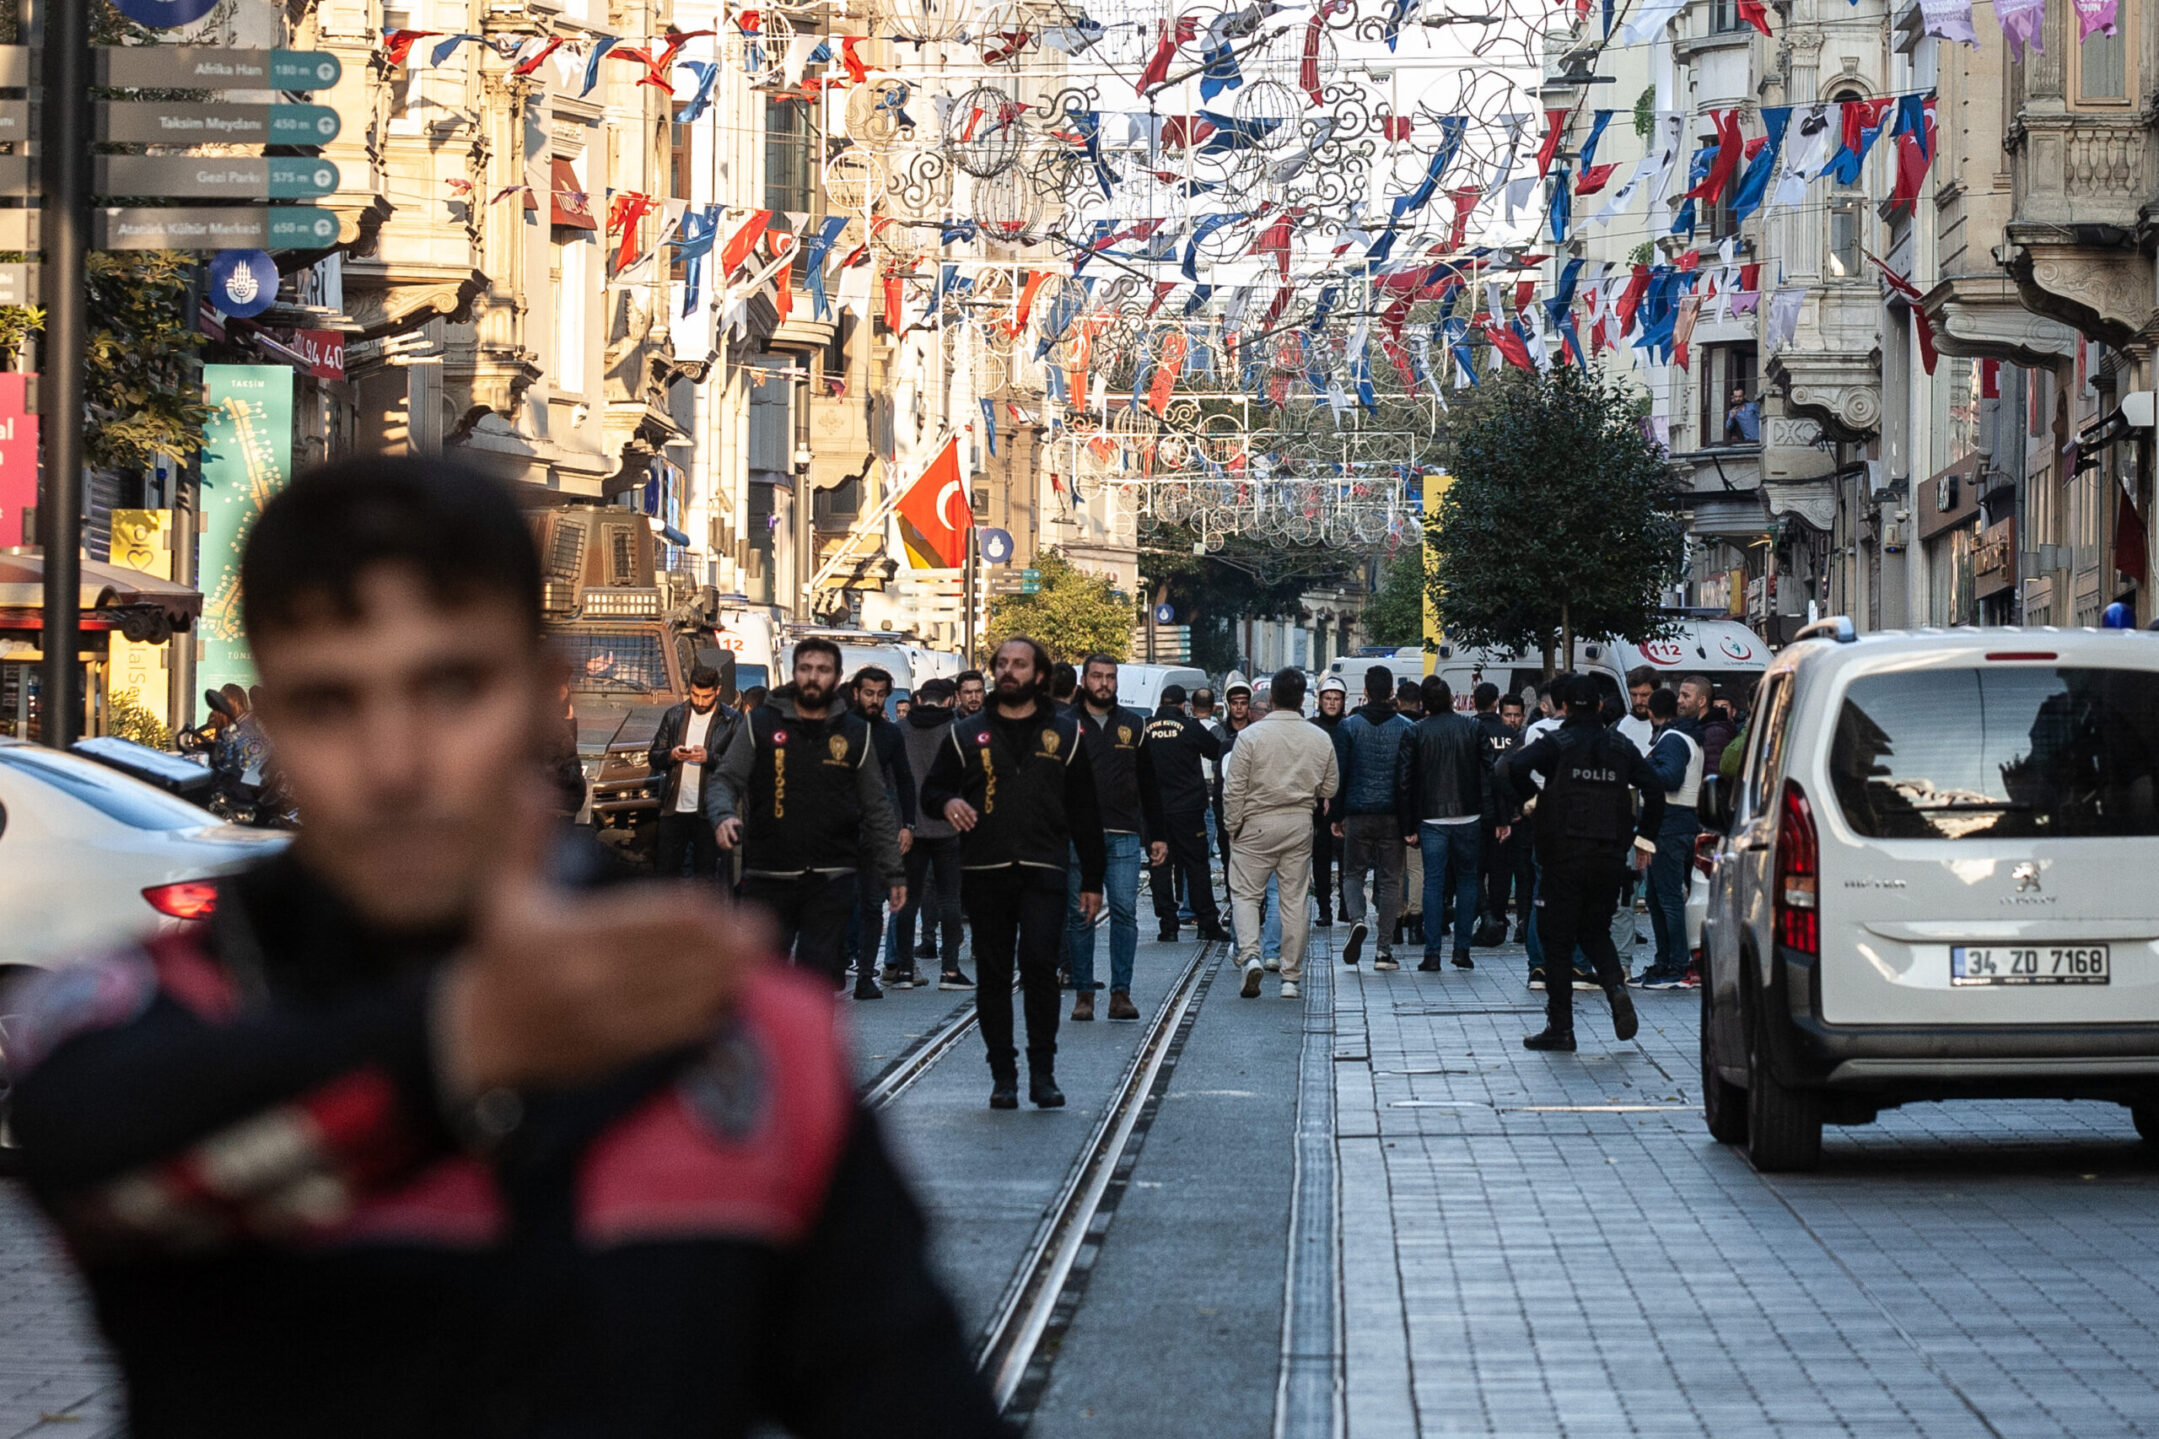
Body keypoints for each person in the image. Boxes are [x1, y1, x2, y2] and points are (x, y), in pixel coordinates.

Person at [4, 456, 1005, 1437]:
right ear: (269, 720)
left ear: (539, 693)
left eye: (449, 688)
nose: (395, 762)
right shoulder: (160, 1012)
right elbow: (86, 1145)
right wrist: (465, 1038)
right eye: (329, 703)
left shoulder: (738, 1038)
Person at [923, 637, 1105, 1109]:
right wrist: (949, 801)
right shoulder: (967, 734)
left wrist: (1092, 880)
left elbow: (1085, 809)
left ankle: (1043, 1072)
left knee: (1042, 965)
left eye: (1019, 665)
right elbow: (932, 790)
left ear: (1038, 675)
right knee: (994, 974)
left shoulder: (1064, 734)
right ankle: (1003, 1074)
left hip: (1045, 867)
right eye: (1001, 664)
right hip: (986, 868)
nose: (1008, 672)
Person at [708, 639, 906, 991]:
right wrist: (723, 814)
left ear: (837, 677)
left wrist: (893, 872)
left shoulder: (854, 733)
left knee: (816, 980)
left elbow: (876, 804)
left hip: (830, 875)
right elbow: (726, 778)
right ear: (795, 673)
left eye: (823, 670)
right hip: (770, 870)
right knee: (767, 977)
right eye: (806, 669)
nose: (813, 677)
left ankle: (810, 1044)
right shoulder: (762, 723)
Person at [1498, 673, 1665, 1053]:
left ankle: (1561, 1027)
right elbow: (1654, 788)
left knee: (1557, 942)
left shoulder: (1557, 742)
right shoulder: (1620, 745)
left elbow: (1510, 768)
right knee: (1595, 932)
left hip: (1563, 855)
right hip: (1609, 855)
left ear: (1565, 708)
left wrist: (1533, 801)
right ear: (1603, 707)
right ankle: (1615, 988)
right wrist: (1645, 839)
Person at [1223, 668, 1339, 1000]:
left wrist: (1233, 826)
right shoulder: (1319, 737)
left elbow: (1234, 789)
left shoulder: (1250, 737)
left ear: (1270, 697)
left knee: (1246, 894)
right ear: (1303, 699)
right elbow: (1330, 786)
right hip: (1299, 822)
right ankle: (1290, 976)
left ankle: (1250, 955)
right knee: (1293, 899)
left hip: (1255, 822)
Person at [1064, 655, 1167, 1021]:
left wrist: (1157, 834)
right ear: (1084, 680)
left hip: (1123, 834)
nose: (1104, 683)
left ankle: (1121, 992)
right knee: (1081, 917)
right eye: (1097, 677)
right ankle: (1084, 993)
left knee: (1124, 913)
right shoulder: (1064, 724)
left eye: (1110, 677)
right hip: (1077, 837)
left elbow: (1148, 783)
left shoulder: (1134, 725)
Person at [1398, 676, 1496, 973]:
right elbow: (1488, 772)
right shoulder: (1472, 728)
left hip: (1431, 816)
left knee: (1433, 883)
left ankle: (1432, 952)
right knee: (1467, 881)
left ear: (1423, 703)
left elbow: (1405, 781)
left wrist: (1407, 824)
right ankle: (1462, 950)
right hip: (1468, 814)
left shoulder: (1415, 732)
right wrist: (1495, 815)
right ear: (1452, 698)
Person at [1330, 666, 1413, 970]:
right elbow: (1408, 779)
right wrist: (1409, 822)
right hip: (1392, 815)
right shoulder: (1406, 727)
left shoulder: (1349, 727)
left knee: (1352, 873)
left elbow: (1341, 773)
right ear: (1392, 692)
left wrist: (1337, 815)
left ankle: (1357, 918)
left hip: (1358, 812)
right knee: (1391, 880)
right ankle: (1384, 951)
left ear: (1364, 692)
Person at [892, 679, 972, 992]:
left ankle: (904, 971)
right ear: (951, 700)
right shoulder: (958, 731)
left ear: (920, 698)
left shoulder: (900, 730)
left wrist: (902, 822)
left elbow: (892, 782)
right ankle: (950, 970)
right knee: (950, 897)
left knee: (907, 899)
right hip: (948, 825)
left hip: (910, 827)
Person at [844, 666, 916, 999]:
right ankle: (836, 965)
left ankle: (865, 974)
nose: (873, 700)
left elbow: (904, 780)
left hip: (874, 830)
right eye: (868, 693)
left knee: (873, 903)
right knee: (837, 901)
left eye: (880, 694)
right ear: (856, 692)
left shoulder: (889, 734)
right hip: (838, 829)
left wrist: (908, 824)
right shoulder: (838, 727)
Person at [1144, 683, 1231, 943]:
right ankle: (1207, 922)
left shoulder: (1145, 727)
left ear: (1161, 702)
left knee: (1159, 865)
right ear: (1183, 705)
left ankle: (1168, 925)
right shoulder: (1190, 727)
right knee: (1196, 865)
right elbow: (1215, 750)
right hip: (1188, 808)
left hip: (1155, 809)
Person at [1636, 686, 1705, 989]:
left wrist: (1640, 768)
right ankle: (1667, 960)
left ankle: (1675, 963)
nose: (1680, 699)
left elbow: (1671, 777)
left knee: (1666, 897)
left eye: (1686, 694)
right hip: (1677, 823)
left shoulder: (1673, 739)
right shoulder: (1684, 737)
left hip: (1669, 824)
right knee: (1658, 896)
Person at [648, 664, 736, 880]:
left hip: (708, 811)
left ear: (717, 691)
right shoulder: (675, 715)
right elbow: (654, 755)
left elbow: (739, 765)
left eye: (705, 697)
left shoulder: (731, 720)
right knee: (665, 874)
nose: (699, 702)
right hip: (674, 808)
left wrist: (710, 758)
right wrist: (672, 755)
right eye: (695, 695)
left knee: (705, 876)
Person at [1309, 676, 1349, 926]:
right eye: (1327, 699)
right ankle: (1324, 908)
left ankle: (1346, 905)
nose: (1332, 703)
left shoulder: (1350, 726)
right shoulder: (1311, 727)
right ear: (1320, 700)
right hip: (1318, 804)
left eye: (1336, 699)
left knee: (1348, 859)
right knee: (1320, 858)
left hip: (1344, 801)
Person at [1619, 666, 1657, 754]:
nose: (1638, 701)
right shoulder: (1620, 728)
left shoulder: (1671, 724)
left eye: (1644, 695)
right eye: (1633, 695)